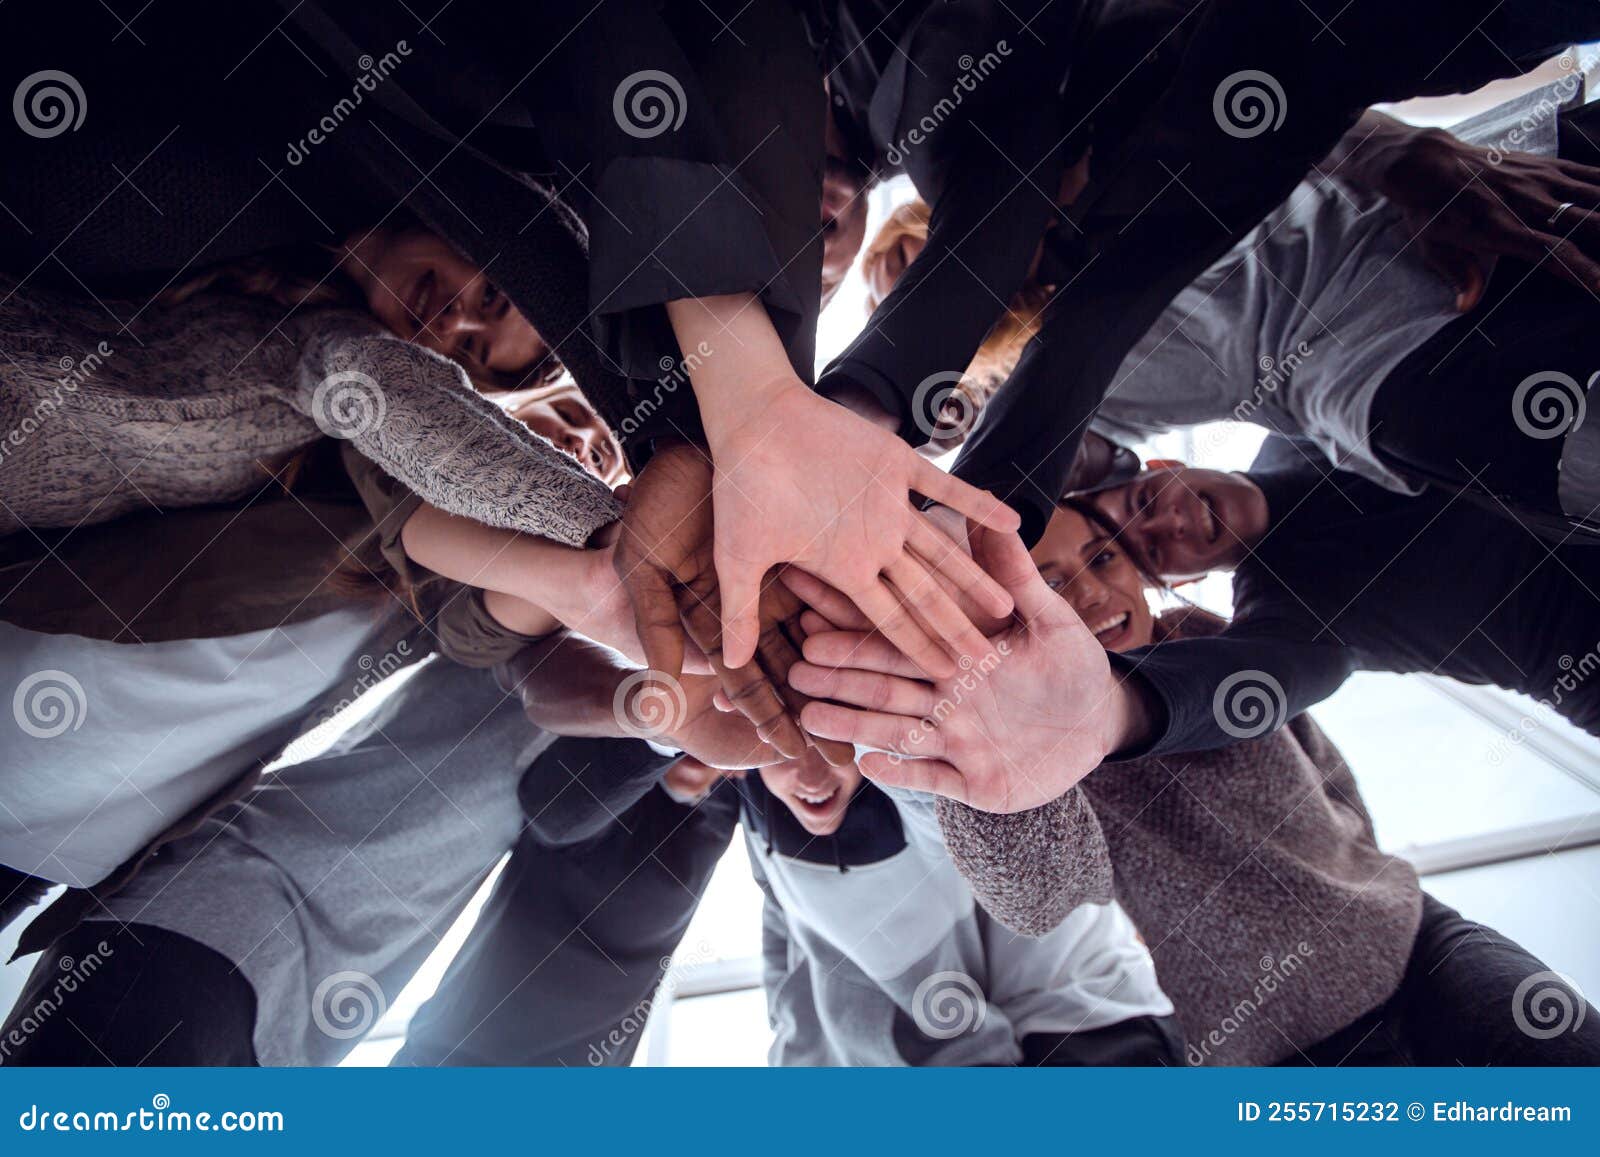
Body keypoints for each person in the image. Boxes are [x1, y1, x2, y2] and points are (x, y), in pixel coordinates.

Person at [790, 501, 1600, 1064]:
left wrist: (1360, 861)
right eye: (1052, 580)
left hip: (1424, 941)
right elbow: (1043, 896)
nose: (1094, 592)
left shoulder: (1205, 639)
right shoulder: (1043, 757)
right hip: (1282, 1055)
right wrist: (1003, 784)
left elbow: (1326, 768)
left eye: (1100, 557)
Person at [1076, 436, 1600, 752]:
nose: (1170, 523)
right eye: (1154, 553)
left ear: (1165, 467)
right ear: (1183, 583)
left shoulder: (1305, 418)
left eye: (1146, 503)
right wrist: (1115, 712)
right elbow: (1254, 682)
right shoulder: (1286, 614)